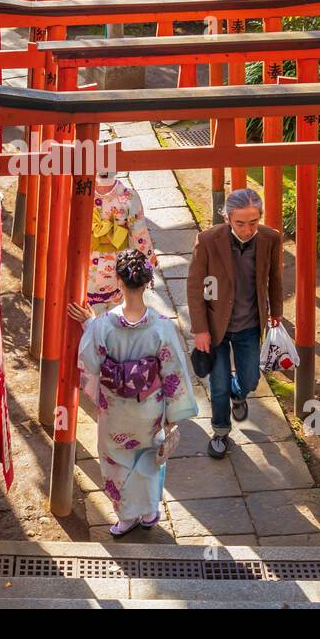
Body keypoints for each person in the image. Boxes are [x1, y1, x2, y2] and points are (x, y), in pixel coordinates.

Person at [70, 248, 198, 537]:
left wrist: (88, 324)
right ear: (148, 282)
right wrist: (172, 414)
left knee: (115, 460)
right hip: (149, 408)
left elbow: (90, 362)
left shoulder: (103, 326)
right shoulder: (162, 328)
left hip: (115, 409)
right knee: (149, 456)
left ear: (118, 280)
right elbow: (174, 372)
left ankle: (126, 517)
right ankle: (150, 511)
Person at [186, 187, 284, 459]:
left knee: (251, 378)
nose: (247, 229)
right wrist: (201, 329)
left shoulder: (270, 238)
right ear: (228, 218)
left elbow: (275, 277)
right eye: (240, 223)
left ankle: (239, 394)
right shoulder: (208, 240)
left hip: (250, 323)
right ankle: (220, 432)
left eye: (253, 222)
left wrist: (276, 311)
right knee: (217, 385)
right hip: (216, 325)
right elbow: (195, 287)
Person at [89, 172, 155, 313]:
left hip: (86, 265)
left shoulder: (82, 193)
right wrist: (148, 262)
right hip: (116, 266)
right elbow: (139, 235)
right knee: (114, 316)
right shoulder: (128, 197)